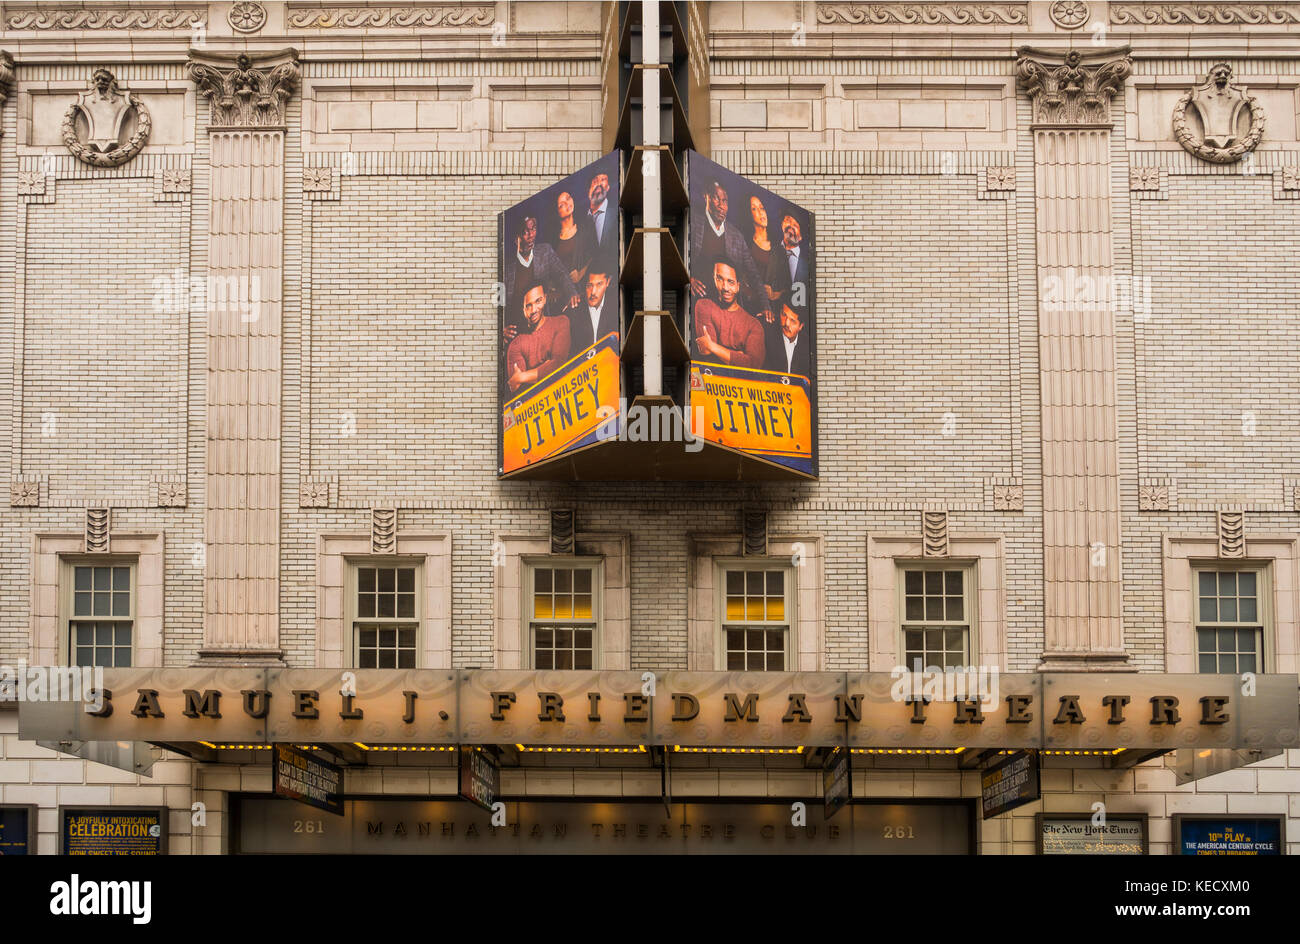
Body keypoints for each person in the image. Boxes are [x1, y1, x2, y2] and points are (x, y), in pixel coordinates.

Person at [690, 179, 764, 315]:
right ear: (706, 196)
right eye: (716, 198)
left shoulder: (736, 236)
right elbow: (673, 255)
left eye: (724, 201)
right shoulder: (692, 222)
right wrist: (688, 278)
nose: (721, 206)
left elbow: (754, 274)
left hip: (727, 309)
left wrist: (766, 306)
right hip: (697, 303)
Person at [504, 216, 580, 333]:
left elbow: (562, 274)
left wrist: (572, 293)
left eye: (533, 229)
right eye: (525, 232)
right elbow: (496, 303)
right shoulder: (506, 267)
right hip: (518, 333)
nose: (531, 235)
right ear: (516, 238)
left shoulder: (545, 251)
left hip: (544, 328)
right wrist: (500, 329)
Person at [692, 258, 765, 369]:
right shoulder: (704, 306)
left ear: (738, 285)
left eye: (730, 282)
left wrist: (713, 347)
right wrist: (739, 356)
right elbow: (707, 354)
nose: (725, 287)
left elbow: (753, 364)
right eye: (720, 279)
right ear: (714, 278)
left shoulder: (753, 324)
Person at [505, 282, 571, 395]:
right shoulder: (516, 345)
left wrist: (523, 376)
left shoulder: (561, 322)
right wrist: (547, 365)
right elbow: (517, 388)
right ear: (523, 309)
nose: (534, 310)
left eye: (538, 301)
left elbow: (559, 364)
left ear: (545, 299)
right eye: (528, 305)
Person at [746, 195, 779, 324]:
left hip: (776, 308)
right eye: (754, 209)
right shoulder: (746, 243)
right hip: (752, 308)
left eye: (762, 208)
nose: (761, 212)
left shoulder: (778, 245)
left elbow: (789, 283)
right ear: (749, 214)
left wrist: (775, 294)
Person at [768, 213, 810, 312]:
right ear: (782, 224)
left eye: (795, 225)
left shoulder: (808, 264)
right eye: (788, 220)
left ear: (800, 237)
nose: (791, 226)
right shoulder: (769, 251)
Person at [569, 269, 618, 351]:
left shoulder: (616, 305)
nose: (593, 292)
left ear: (608, 282)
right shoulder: (575, 309)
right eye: (589, 285)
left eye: (599, 284)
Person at [763, 302, 811, 378]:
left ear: (801, 326)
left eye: (793, 321)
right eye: (784, 315)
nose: (787, 323)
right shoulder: (768, 334)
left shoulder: (807, 344)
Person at [554, 190, 591, 287]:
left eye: (568, 198)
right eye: (562, 205)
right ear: (557, 211)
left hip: (582, 288)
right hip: (561, 291)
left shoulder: (585, 227)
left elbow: (595, 254)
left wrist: (580, 274)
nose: (567, 204)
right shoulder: (554, 239)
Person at [585, 171, 615, 255]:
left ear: (608, 187)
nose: (598, 183)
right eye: (595, 181)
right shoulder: (581, 219)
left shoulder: (617, 215)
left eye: (603, 179)